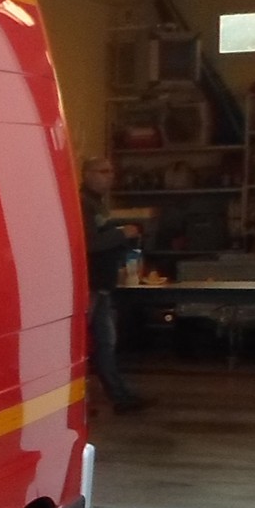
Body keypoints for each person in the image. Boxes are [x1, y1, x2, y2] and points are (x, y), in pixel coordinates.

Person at [79, 156, 147, 415]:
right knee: (86, 344)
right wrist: (121, 233)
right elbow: (88, 242)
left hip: (102, 284)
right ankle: (85, 401)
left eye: (111, 171)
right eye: (102, 171)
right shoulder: (84, 204)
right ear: (87, 174)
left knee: (106, 344)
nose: (109, 176)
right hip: (91, 285)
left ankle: (119, 396)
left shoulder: (99, 205)